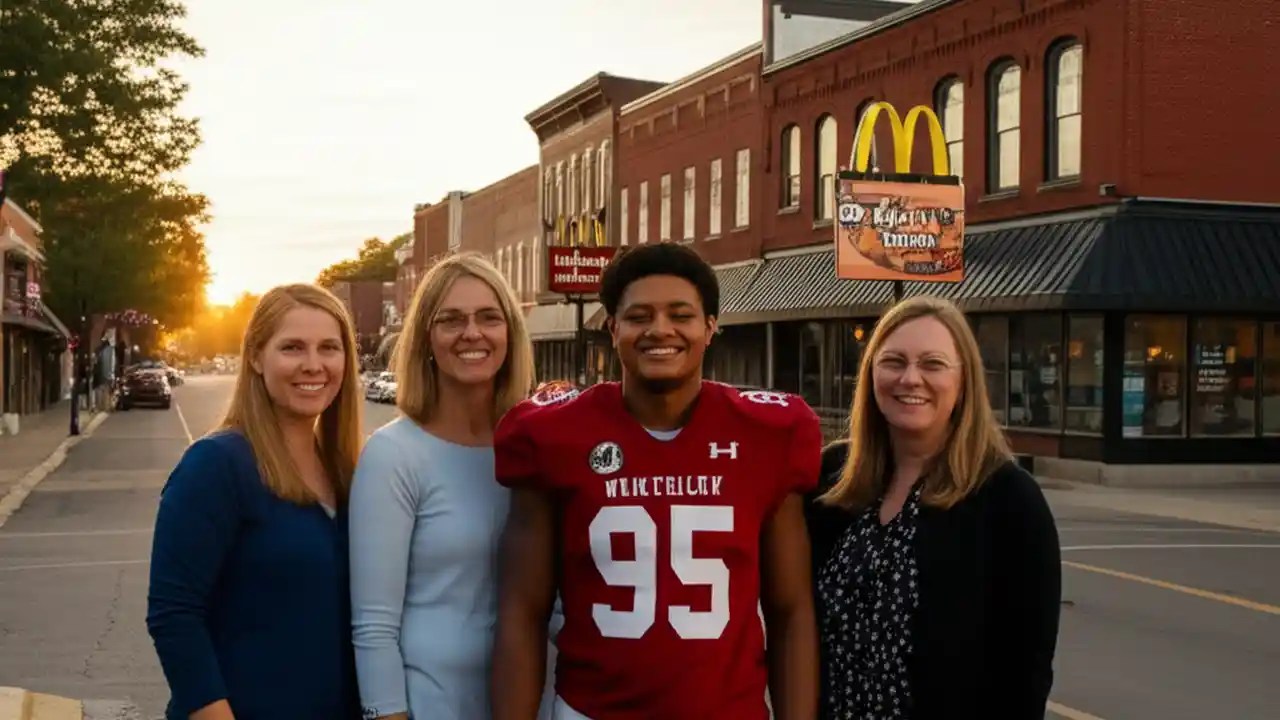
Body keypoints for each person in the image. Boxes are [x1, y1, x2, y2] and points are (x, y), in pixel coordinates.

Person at [491, 241, 823, 720]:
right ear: (613, 328)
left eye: (681, 315)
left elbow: (790, 610)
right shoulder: (554, 434)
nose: (660, 330)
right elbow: (522, 610)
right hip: (592, 711)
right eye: (639, 316)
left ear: (710, 327)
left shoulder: (765, 434)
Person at [805, 296, 1062, 720]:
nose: (910, 378)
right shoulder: (831, 477)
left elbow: (1025, 672)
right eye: (893, 362)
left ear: (963, 381)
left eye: (933, 364)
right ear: (870, 373)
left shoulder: (1009, 498)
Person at [349, 252, 552, 720]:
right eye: (451, 320)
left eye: (489, 318)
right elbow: (374, 627)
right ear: (426, 337)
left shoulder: (540, 447)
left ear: (510, 334)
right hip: (432, 703)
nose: (472, 333)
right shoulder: (393, 456)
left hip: (534, 703)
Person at [146, 284, 363, 720]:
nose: (313, 364)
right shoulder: (217, 464)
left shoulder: (347, 471)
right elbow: (174, 616)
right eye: (292, 347)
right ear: (256, 358)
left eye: (329, 348)